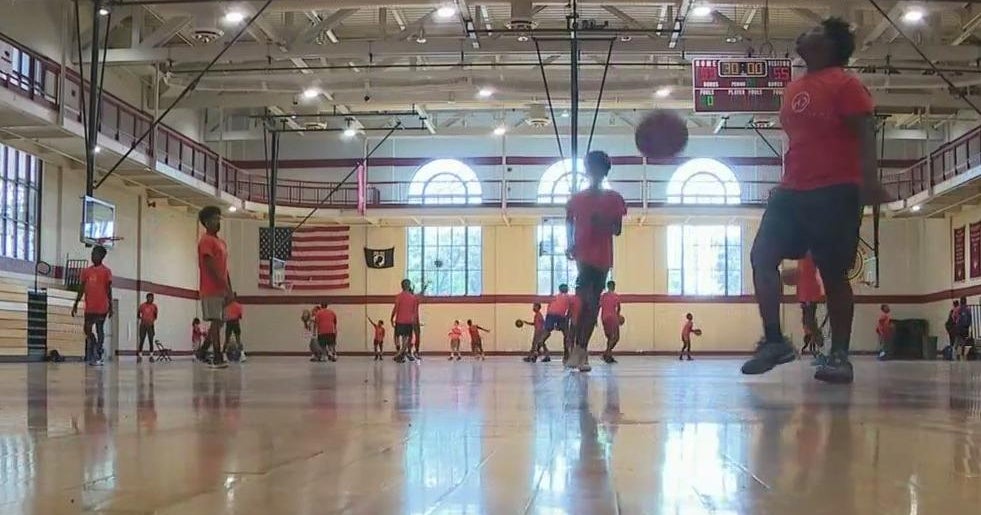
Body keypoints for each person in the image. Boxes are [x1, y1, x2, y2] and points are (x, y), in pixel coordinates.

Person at [740, 17, 888, 384]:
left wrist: (870, 181)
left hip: (836, 188)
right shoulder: (796, 86)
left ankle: (839, 355)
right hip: (792, 189)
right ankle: (774, 340)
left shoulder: (847, 84)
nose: (805, 32)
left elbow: (865, 132)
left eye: (817, 30)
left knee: (834, 273)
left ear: (830, 46)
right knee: (762, 257)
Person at [566, 150, 628, 373]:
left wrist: (603, 222)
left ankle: (581, 350)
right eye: (590, 166)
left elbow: (617, 230)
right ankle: (578, 349)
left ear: (604, 171)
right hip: (583, 255)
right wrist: (570, 243)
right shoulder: (577, 199)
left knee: (592, 304)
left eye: (597, 167)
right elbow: (568, 221)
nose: (593, 171)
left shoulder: (613, 199)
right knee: (584, 301)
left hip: (602, 257)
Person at [196, 205, 233, 369]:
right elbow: (210, 266)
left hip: (222, 288)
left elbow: (225, 269)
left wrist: (229, 288)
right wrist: (222, 284)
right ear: (206, 222)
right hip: (211, 288)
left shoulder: (221, 242)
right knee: (216, 321)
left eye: (219, 218)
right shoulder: (206, 241)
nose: (218, 221)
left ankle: (203, 350)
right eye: (215, 218)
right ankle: (217, 356)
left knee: (220, 322)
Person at [72, 245, 113, 366]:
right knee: (87, 329)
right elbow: (81, 288)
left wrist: (111, 306)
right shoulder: (86, 271)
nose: (92, 256)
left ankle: (99, 354)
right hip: (90, 306)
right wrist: (76, 303)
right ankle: (95, 344)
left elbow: (109, 289)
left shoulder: (106, 271)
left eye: (95, 254)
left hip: (102, 306)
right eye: (92, 253)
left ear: (101, 256)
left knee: (100, 328)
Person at [796, 254, 825, 360]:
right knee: (806, 320)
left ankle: (817, 339)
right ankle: (815, 339)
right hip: (805, 294)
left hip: (809, 293)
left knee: (809, 320)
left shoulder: (809, 256)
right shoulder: (802, 257)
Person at [391, 279, 418, 363]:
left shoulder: (399, 296)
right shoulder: (413, 298)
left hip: (399, 321)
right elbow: (414, 312)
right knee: (405, 339)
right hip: (408, 322)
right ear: (409, 286)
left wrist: (391, 318)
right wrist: (413, 321)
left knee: (396, 337)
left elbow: (395, 308)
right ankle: (401, 354)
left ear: (402, 286)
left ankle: (398, 354)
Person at [543, 284, 572, 361]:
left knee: (545, 334)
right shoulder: (569, 298)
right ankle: (566, 355)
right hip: (559, 316)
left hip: (551, 315)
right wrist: (566, 319)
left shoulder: (555, 297)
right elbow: (570, 311)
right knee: (566, 335)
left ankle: (536, 352)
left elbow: (549, 308)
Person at [599, 280, 622, 364]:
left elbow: (599, 306)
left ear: (607, 286)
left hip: (604, 318)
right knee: (616, 337)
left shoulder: (603, 296)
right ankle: (606, 353)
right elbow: (618, 308)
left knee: (609, 338)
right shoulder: (616, 296)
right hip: (612, 317)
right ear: (614, 286)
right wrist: (618, 316)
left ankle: (608, 356)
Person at [137, 293, 158, 363]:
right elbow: (138, 314)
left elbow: (155, 315)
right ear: (147, 298)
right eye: (149, 297)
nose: (150, 299)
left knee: (151, 340)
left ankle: (151, 356)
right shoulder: (142, 306)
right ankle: (140, 356)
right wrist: (142, 319)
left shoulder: (154, 306)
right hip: (143, 325)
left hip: (150, 325)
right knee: (142, 340)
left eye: (152, 298)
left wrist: (151, 321)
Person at [224, 292, 245, 362]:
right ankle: (242, 355)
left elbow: (225, 317)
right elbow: (240, 316)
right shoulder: (238, 306)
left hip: (231, 322)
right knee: (236, 338)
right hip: (234, 322)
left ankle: (225, 356)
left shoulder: (227, 307)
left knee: (229, 339)